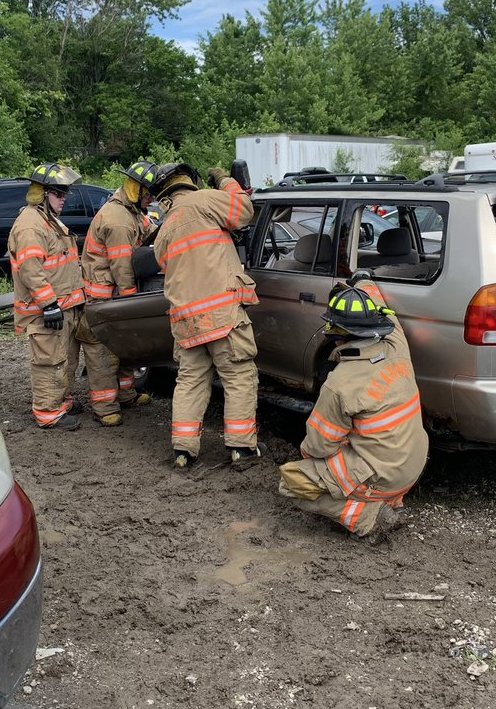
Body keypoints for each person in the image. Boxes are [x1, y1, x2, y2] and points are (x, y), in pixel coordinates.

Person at [278, 276, 429, 542]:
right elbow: (378, 302)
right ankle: (391, 499)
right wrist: (362, 281)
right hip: (414, 465)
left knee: (292, 484)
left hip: (382, 477)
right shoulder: (397, 345)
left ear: (336, 333)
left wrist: (315, 463)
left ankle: (368, 516)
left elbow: (317, 446)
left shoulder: (340, 384)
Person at [153, 162, 260, 469]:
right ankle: (242, 448)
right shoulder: (205, 200)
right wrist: (226, 180)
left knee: (190, 381)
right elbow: (243, 210)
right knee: (239, 376)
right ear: (191, 183)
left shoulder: (165, 230)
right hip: (223, 315)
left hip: (186, 321)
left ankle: (183, 452)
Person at [78, 159, 160, 425]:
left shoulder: (132, 212)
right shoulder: (118, 221)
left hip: (113, 293)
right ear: (137, 190)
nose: (152, 199)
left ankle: (126, 395)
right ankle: (105, 407)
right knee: (104, 352)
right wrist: (130, 301)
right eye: (149, 194)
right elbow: (122, 266)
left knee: (124, 347)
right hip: (102, 297)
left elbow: (151, 233)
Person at [8, 163, 88, 430]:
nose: (63, 199)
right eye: (58, 193)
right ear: (42, 194)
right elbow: (31, 269)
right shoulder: (31, 225)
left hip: (64, 306)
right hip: (46, 310)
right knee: (48, 361)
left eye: (65, 194)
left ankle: (60, 401)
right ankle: (48, 412)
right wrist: (49, 304)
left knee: (64, 358)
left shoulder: (48, 219)